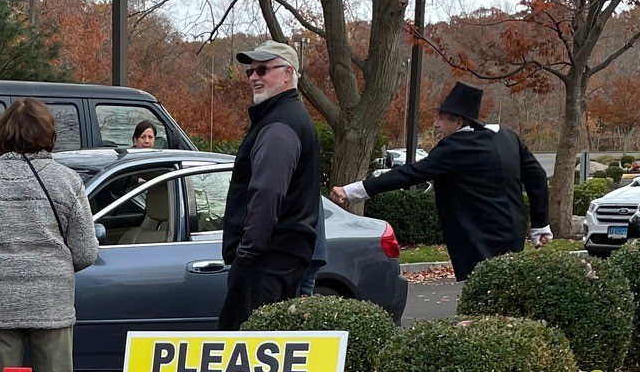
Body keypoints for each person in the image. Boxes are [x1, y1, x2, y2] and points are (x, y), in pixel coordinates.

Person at [333, 80, 550, 280]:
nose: (436, 123)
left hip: (480, 238)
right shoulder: (508, 137)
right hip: (513, 233)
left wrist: (354, 190)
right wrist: (540, 225)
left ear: (459, 121)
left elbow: (409, 173)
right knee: (506, 291)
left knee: (485, 296)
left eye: (442, 117)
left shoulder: (456, 147)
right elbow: (538, 176)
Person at [0, 98, 98, 372]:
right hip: (52, 305)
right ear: (48, 133)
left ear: (2, 134)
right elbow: (85, 251)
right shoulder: (68, 181)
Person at [220, 39, 322, 329]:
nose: (254, 77)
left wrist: (247, 254)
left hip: (265, 263)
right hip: (278, 259)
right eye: (250, 72)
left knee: (238, 354)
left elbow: (267, 192)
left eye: (263, 70)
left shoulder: (279, 125)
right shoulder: (284, 119)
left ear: (288, 74)